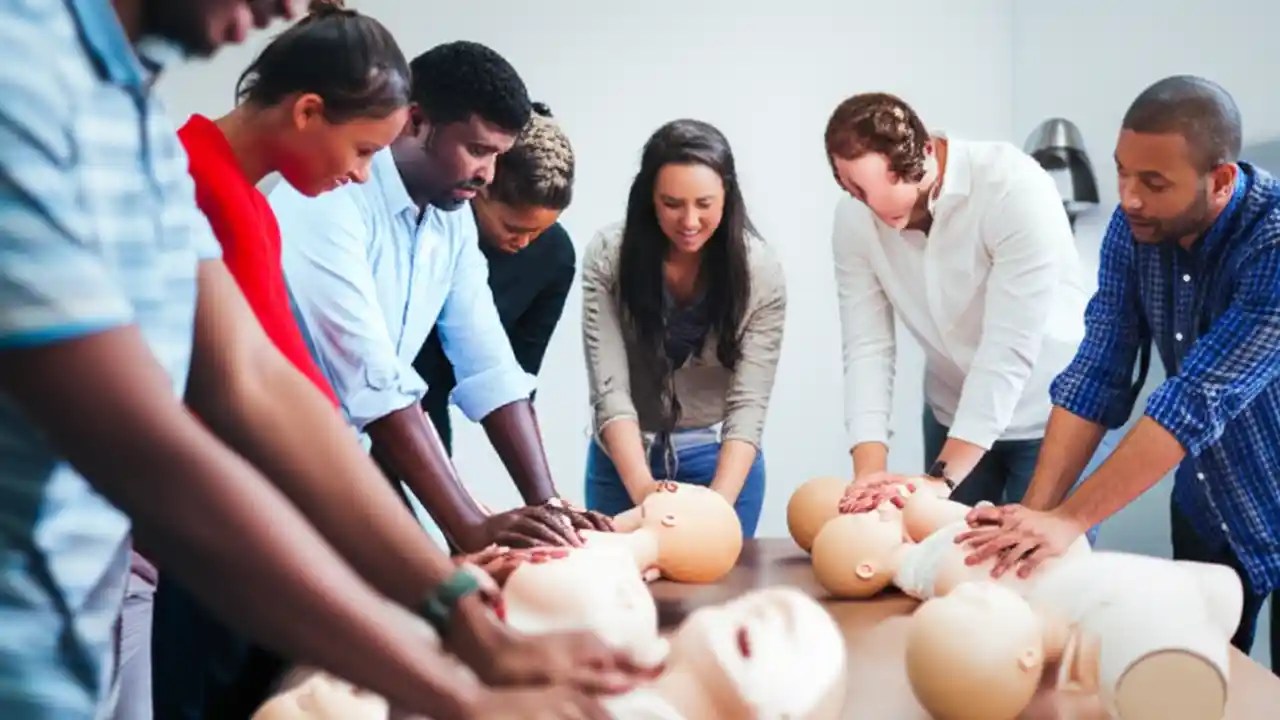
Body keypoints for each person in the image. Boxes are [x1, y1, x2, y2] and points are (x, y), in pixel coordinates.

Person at [0, 1, 635, 718]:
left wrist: (462, 613)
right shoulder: (22, 76)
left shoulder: (131, 113)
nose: (291, 8)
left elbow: (258, 382)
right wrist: (457, 682)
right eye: (363, 150)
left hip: (69, 632)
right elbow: (152, 452)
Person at [957, 75, 1280, 674]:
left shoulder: (1274, 240)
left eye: (1153, 182)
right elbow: (1098, 372)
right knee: (1203, 683)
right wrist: (1035, 518)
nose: (1127, 196)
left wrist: (1072, 519)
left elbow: (1196, 398)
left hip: (1272, 486)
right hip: (1209, 500)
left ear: (1222, 180)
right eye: (1122, 172)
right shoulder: (1135, 233)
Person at [272, 40, 611, 555]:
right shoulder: (329, 198)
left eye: (497, 155)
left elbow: (489, 363)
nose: (488, 174)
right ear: (415, 121)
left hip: (342, 465)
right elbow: (373, 379)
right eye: (477, 150)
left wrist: (551, 506)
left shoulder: (448, 220)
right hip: (263, 469)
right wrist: (468, 523)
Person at [825, 92, 1091, 512]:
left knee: (1040, 569)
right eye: (859, 194)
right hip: (952, 411)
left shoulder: (1013, 188)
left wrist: (941, 478)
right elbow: (867, 347)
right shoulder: (855, 219)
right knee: (945, 563)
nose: (878, 214)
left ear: (927, 150)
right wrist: (869, 472)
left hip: (1052, 414)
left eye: (898, 204)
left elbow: (1007, 349)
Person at [581, 119, 787, 539]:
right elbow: (610, 389)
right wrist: (645, 493)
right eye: (672, 203)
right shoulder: (608, 257)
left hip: (719, 461)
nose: (689, 221)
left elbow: (748, 406)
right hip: (622, 462)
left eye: (705, 203)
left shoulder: (761, 272)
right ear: (649, 200)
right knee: (624, 590)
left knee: (716, 590)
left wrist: (714, 508)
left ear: (727, 197)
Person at [413, 103, 576, 455]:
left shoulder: (555, 257)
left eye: (540, 232)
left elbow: (512, 378)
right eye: (514, 228)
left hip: (433, 409)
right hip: (378, 399)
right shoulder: (435, 226)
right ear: (482, 188)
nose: (524, 243)